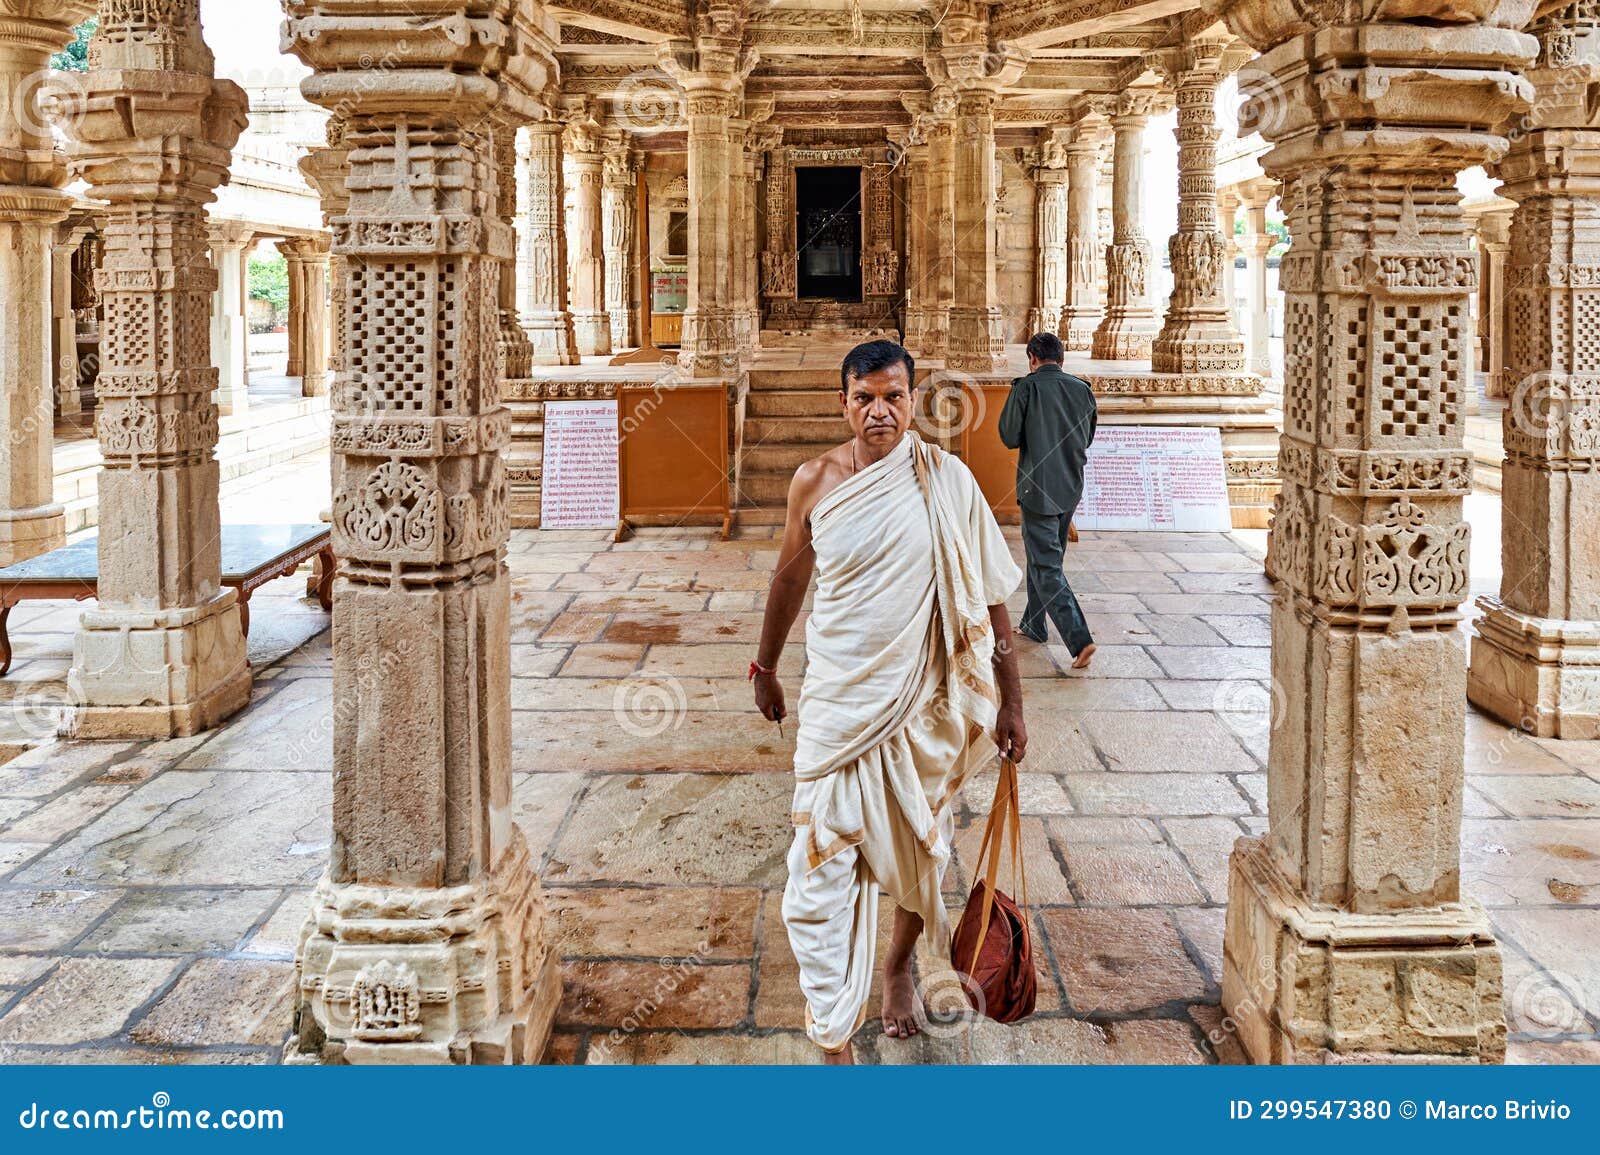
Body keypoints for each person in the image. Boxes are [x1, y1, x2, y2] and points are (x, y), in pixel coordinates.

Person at [750, 339, 1026, 1064]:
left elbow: (992, 596)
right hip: (840, 704)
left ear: (913, 400)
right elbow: (787, 581)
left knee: (918, 847)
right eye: (865, 397)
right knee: (812, 888)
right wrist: (765, 663)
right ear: (843, 402)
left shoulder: (946, 479)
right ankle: (834, 1033)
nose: (880, 410)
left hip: (922, 707)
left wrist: (1011, 702)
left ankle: (897, 966)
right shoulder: (814, 482)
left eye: (894, 396)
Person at [998, 331, 1098, 669]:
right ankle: (1033, 623)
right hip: (1071, 486)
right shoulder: (1082, 390)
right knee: (1045, 558)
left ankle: (1079, 640)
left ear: (1032, 359)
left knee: (1045, 565)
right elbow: (1087, 438)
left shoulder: (1026, 387)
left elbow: (1009, 436)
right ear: (1062, 359)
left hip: (1037, 488)